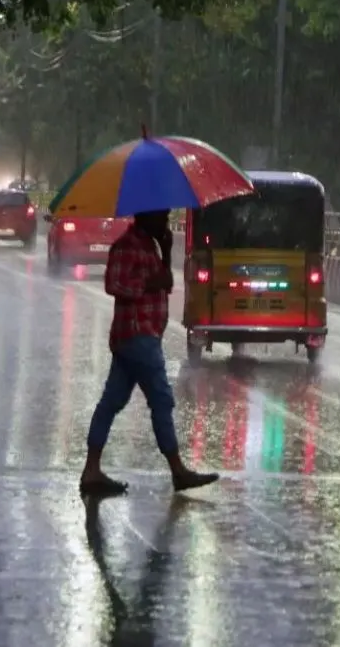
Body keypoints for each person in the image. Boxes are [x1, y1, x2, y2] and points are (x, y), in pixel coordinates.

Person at [79, 209, 218, 496]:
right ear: (147, 217)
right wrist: (146, 285)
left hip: (144, 336)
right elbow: (113, 284)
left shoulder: (151, 247)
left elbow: (165, 282)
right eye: (162, 218)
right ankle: (178, 470)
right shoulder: (126, 246)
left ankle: (91, 469)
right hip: (136, 336)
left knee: (111, 402)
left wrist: (166, 251)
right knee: (162, 400)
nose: (166, 224)